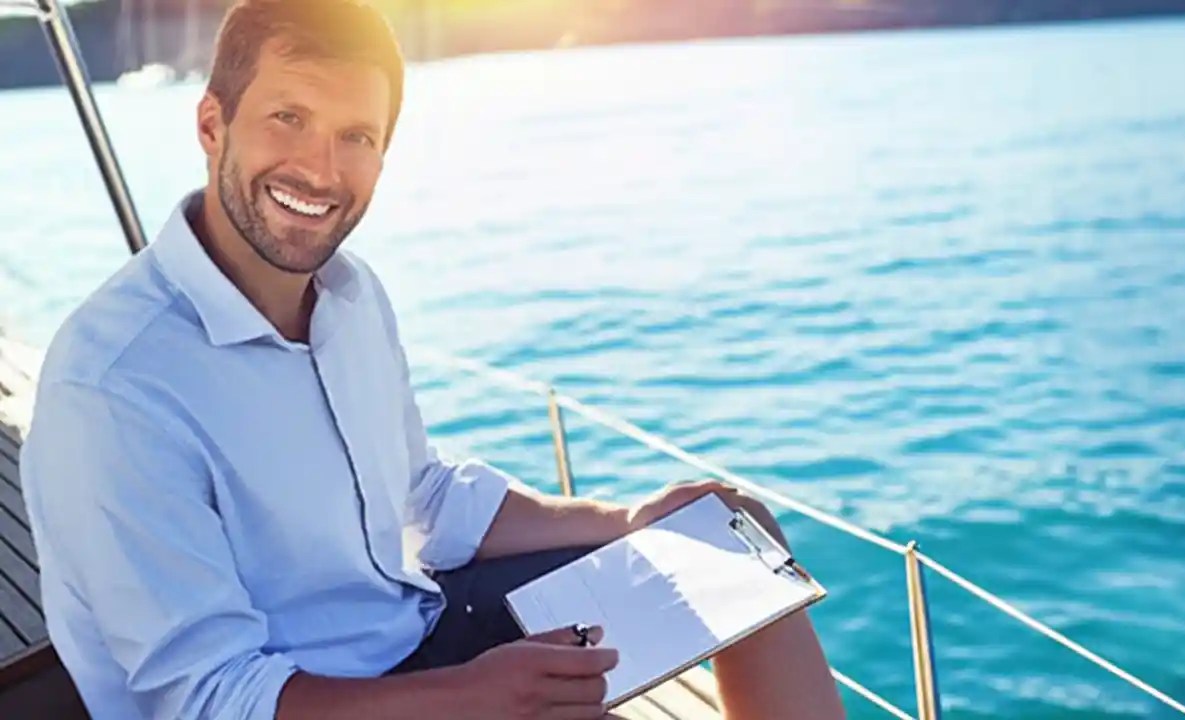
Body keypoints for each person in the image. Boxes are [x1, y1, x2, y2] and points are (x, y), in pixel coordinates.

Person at [21, 1, 847, 718]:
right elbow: (207, 701)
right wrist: (475, 700)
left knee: (730, 536)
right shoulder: (115, 385)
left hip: (414, 646)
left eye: (356, 136)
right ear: (212, 125)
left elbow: (423, 498)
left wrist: (624, 519)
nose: (319, 167)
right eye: (288, 118)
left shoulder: (347, 296)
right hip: (298, 701)